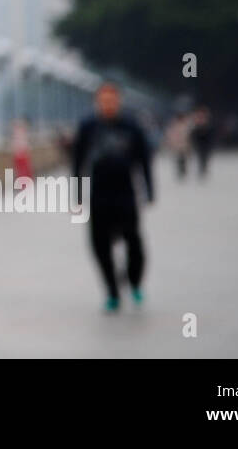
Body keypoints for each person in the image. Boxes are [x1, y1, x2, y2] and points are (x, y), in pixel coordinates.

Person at [71, 82, 154, 313]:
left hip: (125, 194)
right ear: (97, 102)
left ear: (118, 101)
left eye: (112, 100)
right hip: (99, 195)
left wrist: (149, 189)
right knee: (99, 245)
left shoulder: (131, 126)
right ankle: (112, 290)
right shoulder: (88, 127)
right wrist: (77, 194)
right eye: (103, 101)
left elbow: (143, 159)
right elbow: (78, 163)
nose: (107, 105)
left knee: (133, 241)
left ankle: (134, 281)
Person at [190, 105, 214, 178]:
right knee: (201, 156)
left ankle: (203, 169)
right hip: (199, 141)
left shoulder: (206, 120)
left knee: (204, 157)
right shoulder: (197, 120)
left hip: (205, 141)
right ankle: (201, 169)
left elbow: (210, 133)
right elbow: (194, 133)